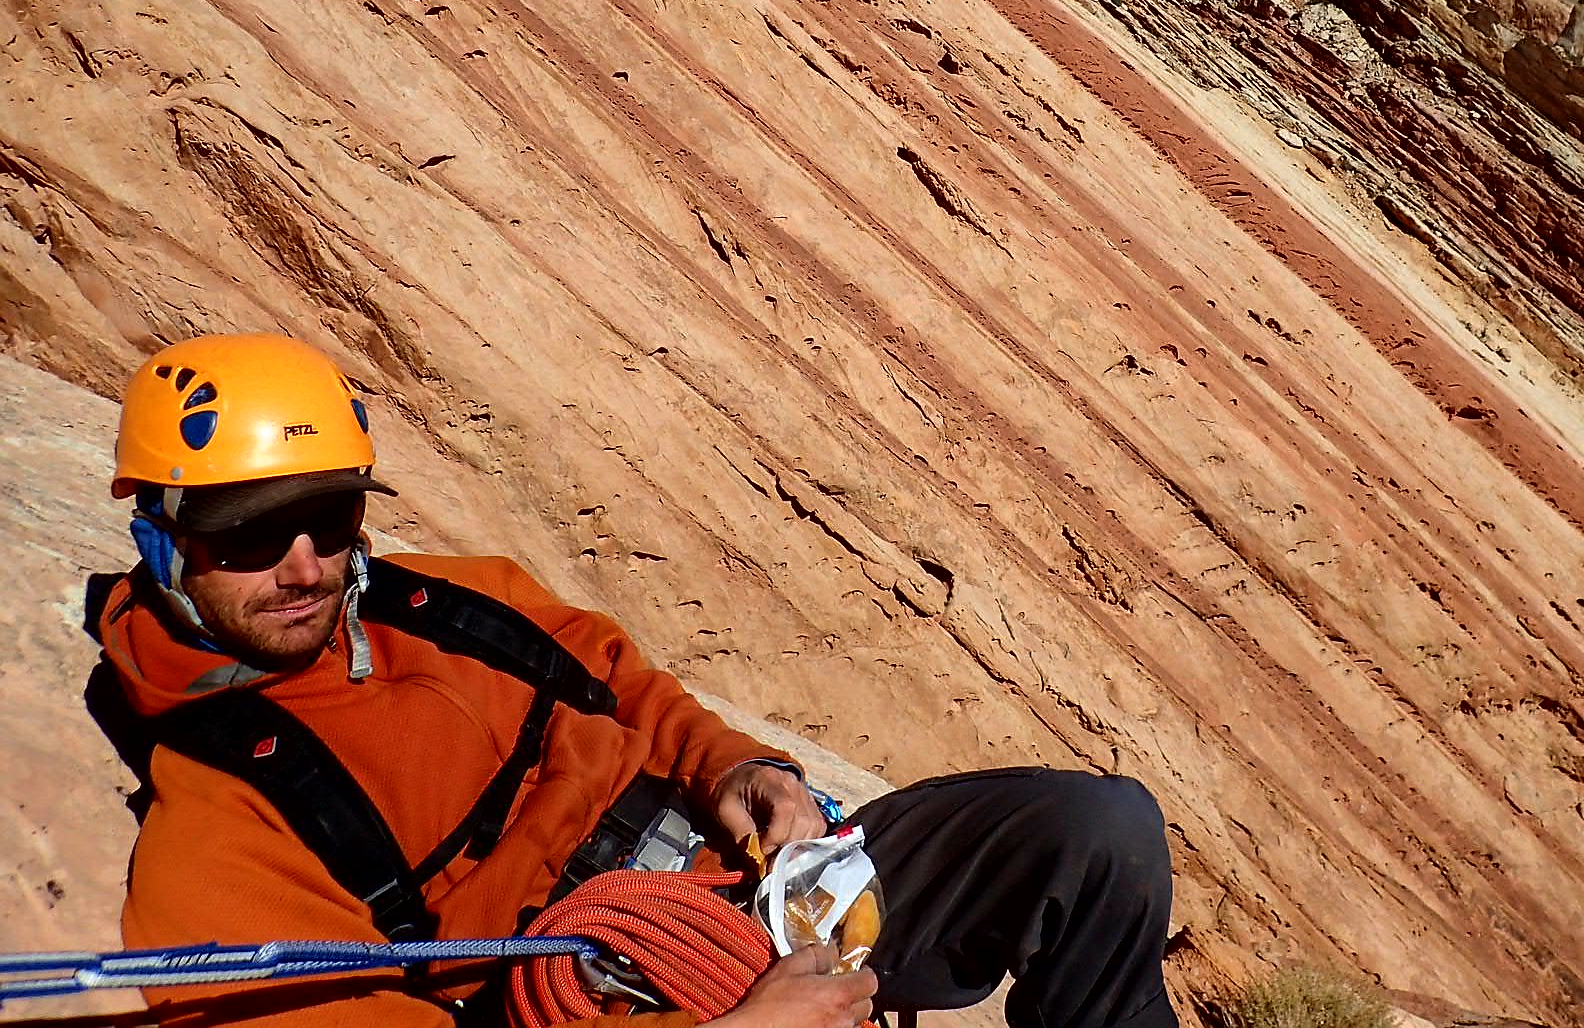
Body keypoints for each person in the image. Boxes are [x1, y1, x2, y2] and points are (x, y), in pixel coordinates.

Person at [89, 333, 1180, 1028]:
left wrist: (737, 771)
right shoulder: (220, 822)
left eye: (330, 521)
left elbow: (629, 690)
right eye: (247, 536)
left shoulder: (453, 600)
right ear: (160, 538)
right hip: (624, 1000)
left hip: (750, 886)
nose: (306, 567)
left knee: (1092, 828)